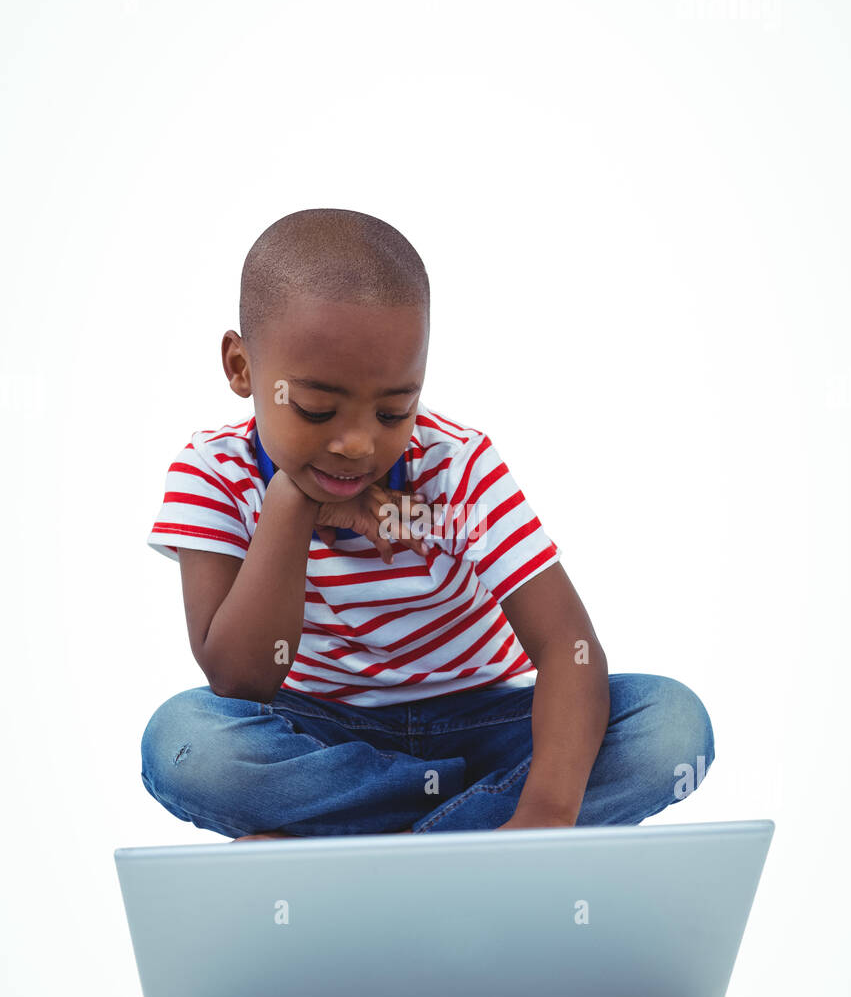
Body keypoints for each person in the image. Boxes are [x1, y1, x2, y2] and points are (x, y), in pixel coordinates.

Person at [141, 207, 714, 838]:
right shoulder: (211, 472)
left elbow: (568, 649)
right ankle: (457, 840)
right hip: (320, 737)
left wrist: (545, 817)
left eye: (392, 413)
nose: (357, 443)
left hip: (486, 728)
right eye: (316, 409)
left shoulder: (457, 466)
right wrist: (292, 503)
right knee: (185, 745)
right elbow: (239, 677)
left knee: (672, 728)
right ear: (241, 368)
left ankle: (351, 850)